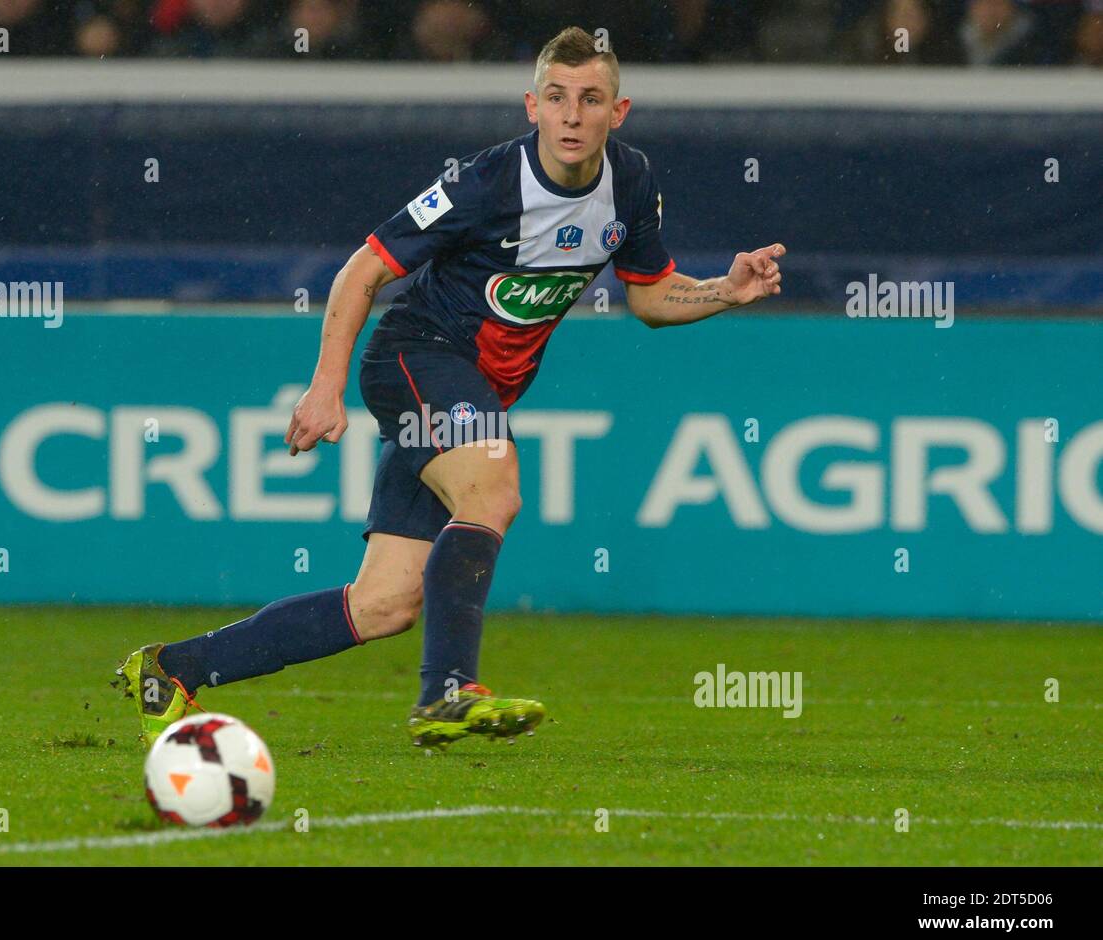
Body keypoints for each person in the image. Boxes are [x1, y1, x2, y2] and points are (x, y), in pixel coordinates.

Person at [116, 25, 786, 750]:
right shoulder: (485, 183)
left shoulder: (631, 181)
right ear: (531, 105)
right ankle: (447, 691)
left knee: (383, 604)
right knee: (494, 488)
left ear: (617, 113)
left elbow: (650, 296)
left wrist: (724, 288)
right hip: (416, 359)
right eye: (556, 98)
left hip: (472, 391)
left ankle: (174, 667)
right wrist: (324, 387)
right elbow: (361, 271)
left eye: (590, 100)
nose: (571, 115)